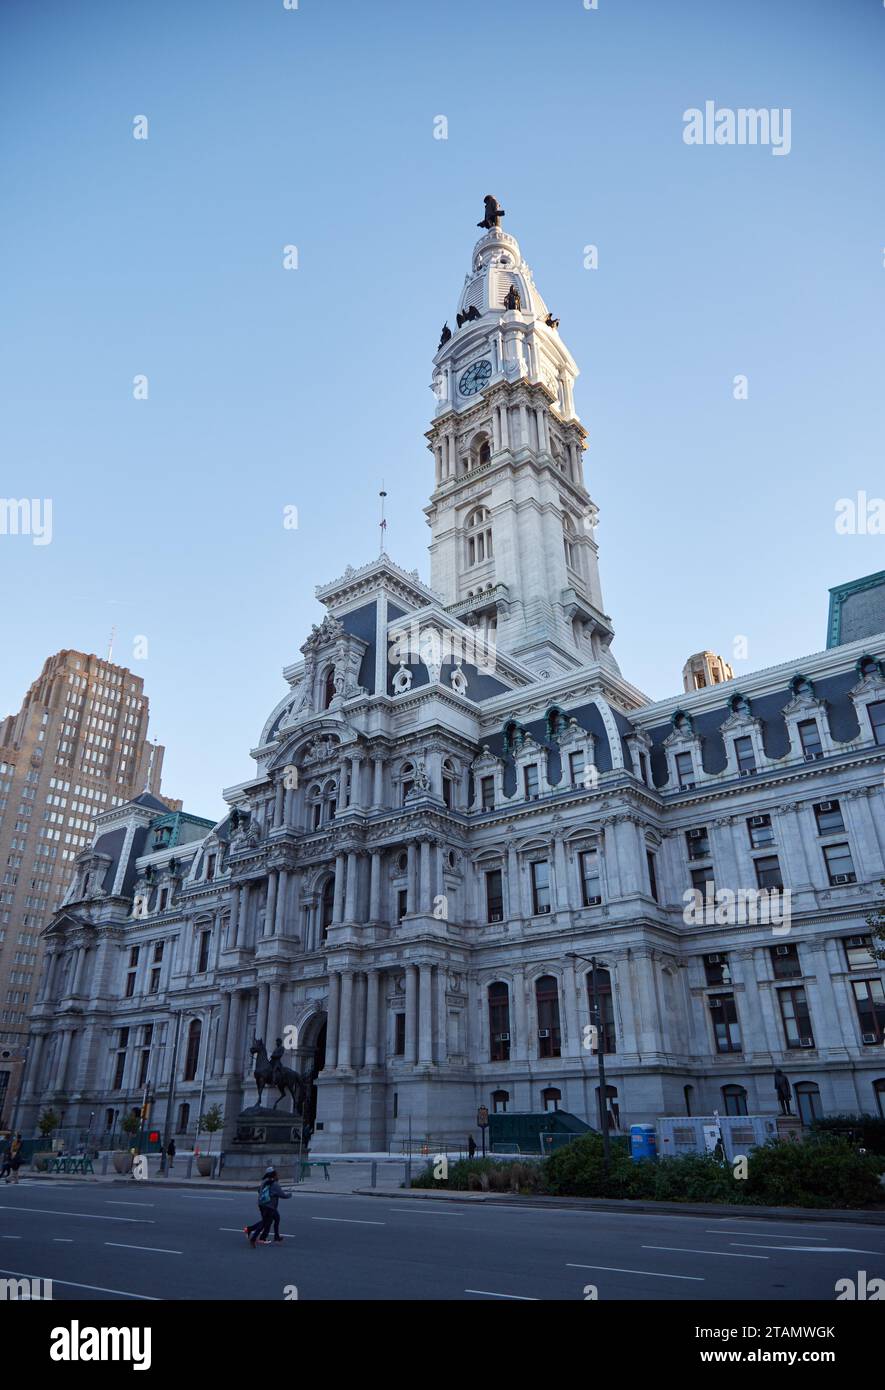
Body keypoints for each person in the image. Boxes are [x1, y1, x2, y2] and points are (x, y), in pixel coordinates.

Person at [244, 1165, 291, 1247]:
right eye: (276, 1173)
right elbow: (283, 1195)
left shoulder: (264, 1182)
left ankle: (275, 1237)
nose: (277, 1174)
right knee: (265, 1222)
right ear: (274, 1174)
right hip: (269, 1207)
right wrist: (290, 1194)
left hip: (262, 1205)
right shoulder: (275, 1184)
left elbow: (259, 1191)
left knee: (276, 1218)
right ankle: (253, 1237)